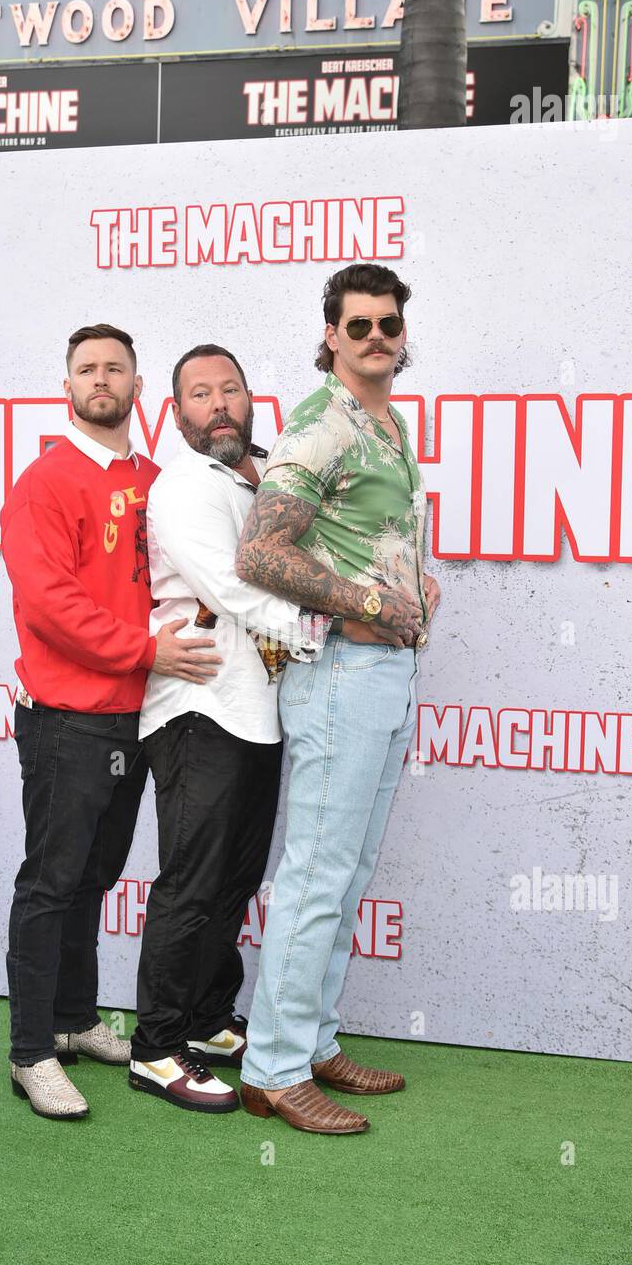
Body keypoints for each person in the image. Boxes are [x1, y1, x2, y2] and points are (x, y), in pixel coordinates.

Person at [235, 264, 442, 1135]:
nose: (373, 339)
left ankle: (313, 1042)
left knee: (346, 873)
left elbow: (368, 539)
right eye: (356, 326)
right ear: (330, 336)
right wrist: (366, 604)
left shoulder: (388, 424)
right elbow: (257, 554)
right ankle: (272, 1071)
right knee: (318, 876)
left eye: (386, 325)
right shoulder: (321, 425)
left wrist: (416, 588)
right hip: (339, 677)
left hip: (385, 673)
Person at [1, 323, 220, 1121]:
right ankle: (30, 1054)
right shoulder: (45, 482)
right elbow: (51, 607)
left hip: (135, 715)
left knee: (93, 879)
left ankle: (75, 1019)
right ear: (67, 386)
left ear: (135, 385)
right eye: (86, 369)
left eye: (115, 368)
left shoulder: (158, 478)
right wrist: (146, 649)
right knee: (50, 884)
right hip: (66, 719)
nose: (101, 380)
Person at [128, 344, 348, 1113]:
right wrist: (326, 626)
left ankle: (209, 1020)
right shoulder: (184, 486)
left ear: (252, 399)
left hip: (253, 709)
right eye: (198, 394)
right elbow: (230, 585)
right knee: (192, 881)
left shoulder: (256, 473)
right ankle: (154, 1048)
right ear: (176, 410)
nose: (217, 403)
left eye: (229, 389)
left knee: (234, 879)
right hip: (198, 709)